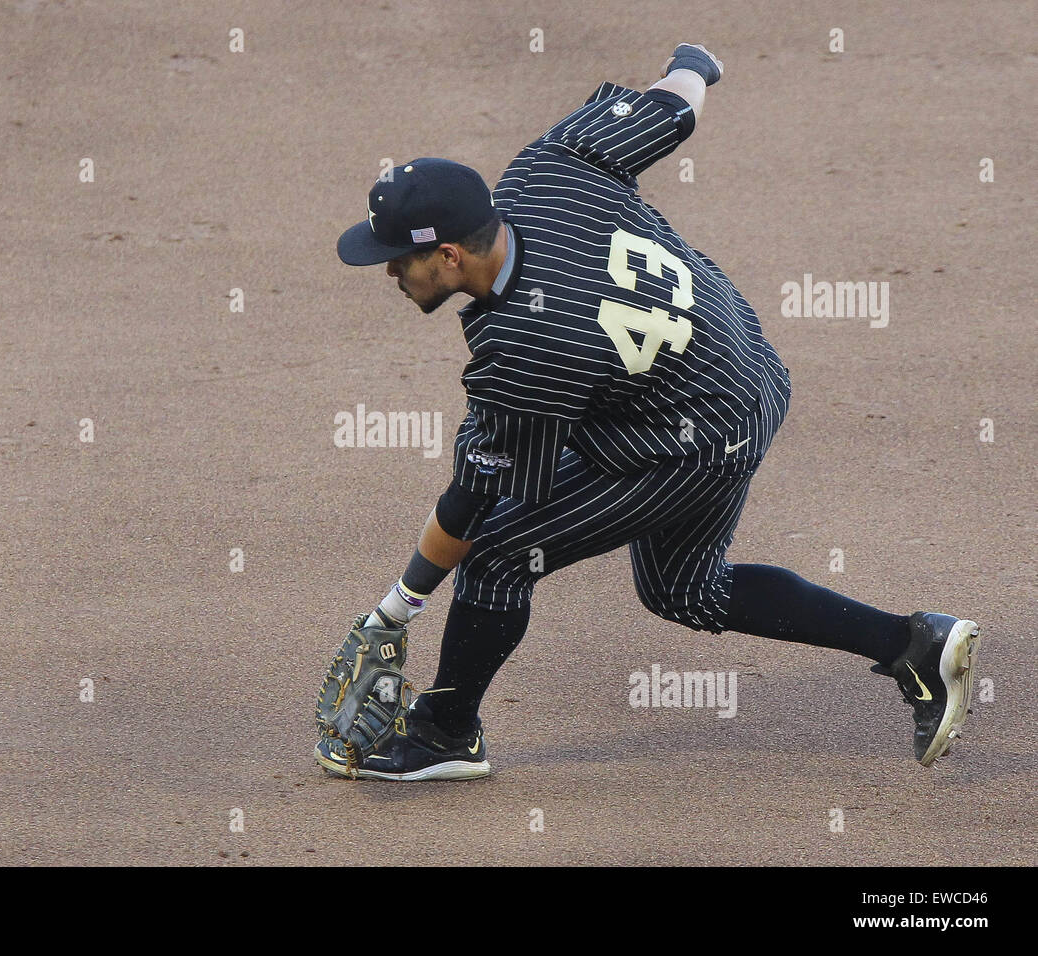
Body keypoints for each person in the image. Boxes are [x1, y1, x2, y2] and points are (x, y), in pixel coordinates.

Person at [317, 44, 979, 781]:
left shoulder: (524, 346)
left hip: (691, 438)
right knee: (683, 589)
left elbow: (480, 495)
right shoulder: (548, 170)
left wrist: (397, 605)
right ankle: (914, 645)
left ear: (447, 257)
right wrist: (695, 64)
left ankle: (446, 735)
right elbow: (673, 106)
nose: (387, 274)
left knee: (500, 556)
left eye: (396, 260)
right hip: (749, 369)